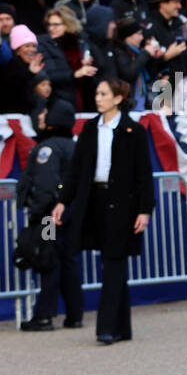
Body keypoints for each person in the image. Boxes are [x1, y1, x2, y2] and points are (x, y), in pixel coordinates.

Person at [51, 77, 156, 344]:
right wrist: (63, 200)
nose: (97, 98)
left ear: (118, 98)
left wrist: (145, 210)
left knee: (113, 262)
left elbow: (144, 174)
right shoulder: (88, 128)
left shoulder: (134, 131)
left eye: (103, 93)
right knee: (112, 262)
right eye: (96, 93)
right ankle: (123, 328)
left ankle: (105, 328)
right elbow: (75, 170)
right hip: (94, 202)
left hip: (123, 204)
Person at [16, 98, 83, 331]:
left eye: (46, 112)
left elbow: (46, 186)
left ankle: (44, 316)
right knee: (67, 260)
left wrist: (37, 215)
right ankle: (75, 315)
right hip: (68, 212)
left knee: (48, 261)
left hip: (48, 215)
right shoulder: (73, 145)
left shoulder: (48, 148)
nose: (41, 116)